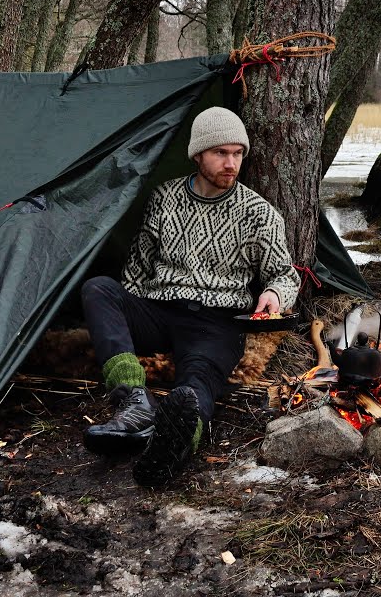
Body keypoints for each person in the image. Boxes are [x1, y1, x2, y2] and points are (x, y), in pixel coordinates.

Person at [79, 106, 299, 482]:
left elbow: (284, 274)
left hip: (215, 322)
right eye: (220, 153)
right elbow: (138, 265)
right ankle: (134, 400)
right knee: (99, 289)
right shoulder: (165, 198)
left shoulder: (259, 214)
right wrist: (126, 309)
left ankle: (175, 448)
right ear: (198, 154)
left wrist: (276, 295)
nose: (231, 163)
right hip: (159, 309)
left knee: (195, 386)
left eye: (237, 153)